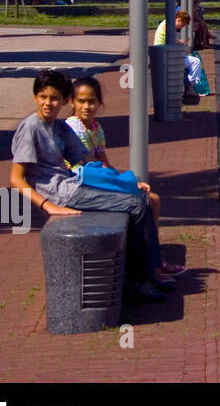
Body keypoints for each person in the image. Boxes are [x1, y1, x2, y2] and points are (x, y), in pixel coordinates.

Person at [9, 69, 170, 304]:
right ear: (35, 97)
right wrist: (48, 206)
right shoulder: (30, 128)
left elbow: (88, 162)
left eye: (54, 98)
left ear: (64, 101)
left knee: (141, 199)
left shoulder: (60, 127)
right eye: (43, 97)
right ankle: (138, 282)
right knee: (136, 206)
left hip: (73, 185)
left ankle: (148, 275)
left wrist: (128, 182)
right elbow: (16, 179)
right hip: (61, 194)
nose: (48, 103)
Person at [65, 75, 185, 281]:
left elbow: (104, 163)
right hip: (82, 183)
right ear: (72, 102)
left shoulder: (95, 127)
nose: (87, 106)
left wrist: (125, 181)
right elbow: (84, 167)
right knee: (147, 201)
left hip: (96, 179)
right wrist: (126, 183)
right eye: (81, 101)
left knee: (152, 199)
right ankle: (153, 264)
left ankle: (153, 258)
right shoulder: (73, 127)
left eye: (91, 101)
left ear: (99, 102)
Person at [155, 9, 205, 101]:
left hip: (162, 53)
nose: (181, 27)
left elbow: (169, 38)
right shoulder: (168, 25)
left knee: (191, 61)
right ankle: (189, 87)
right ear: (179, 20)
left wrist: (180, 43)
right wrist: (180, 44)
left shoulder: (165, 23)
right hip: (165, 56)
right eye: (182, 25)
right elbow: (169, 38)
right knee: (195, 62)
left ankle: (189, 86)